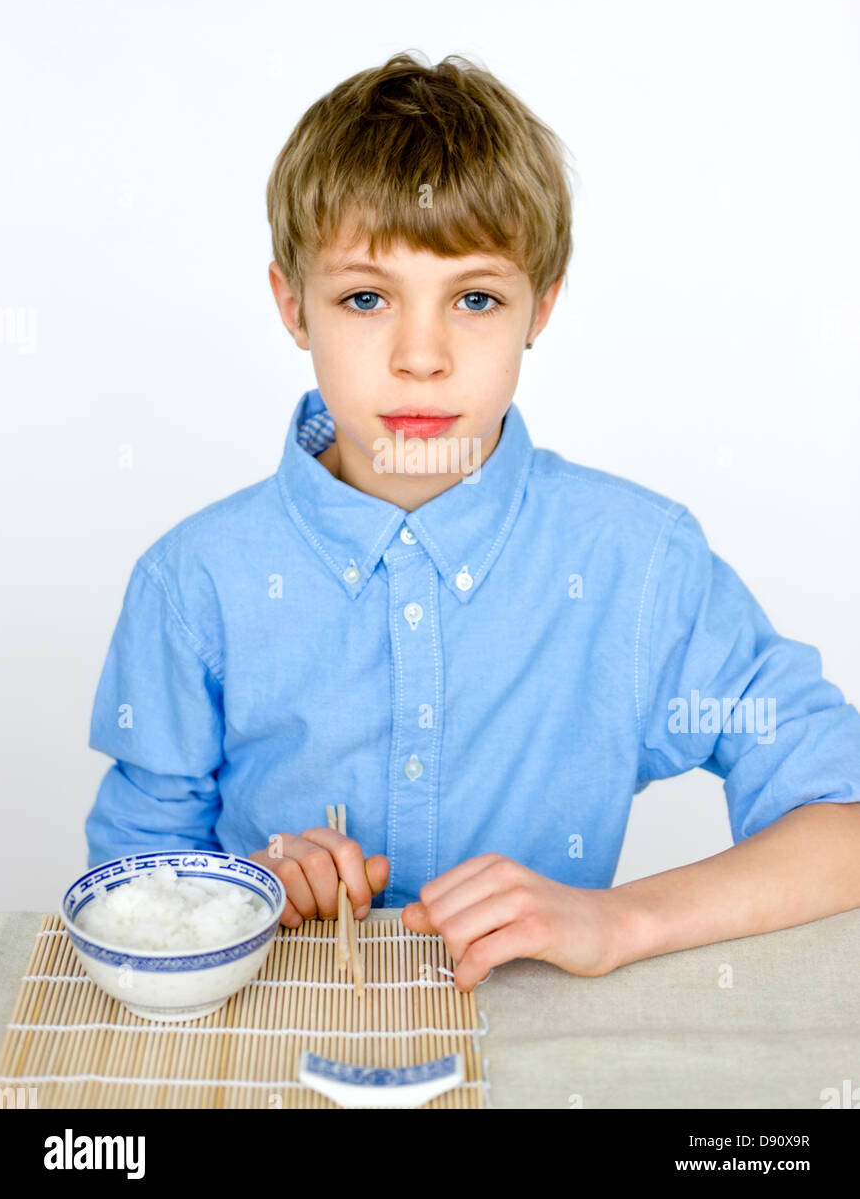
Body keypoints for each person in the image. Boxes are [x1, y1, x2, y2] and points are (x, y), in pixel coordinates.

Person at [85, 51, 860, 991]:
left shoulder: (638, 563)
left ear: (543, 306)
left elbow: (844, 822)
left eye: (476, 298)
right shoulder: (191, 582)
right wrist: (249, 891)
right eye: (366, 297)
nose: (422, 356)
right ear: (293, 304)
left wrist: (617, 920)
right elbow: (127, 896)